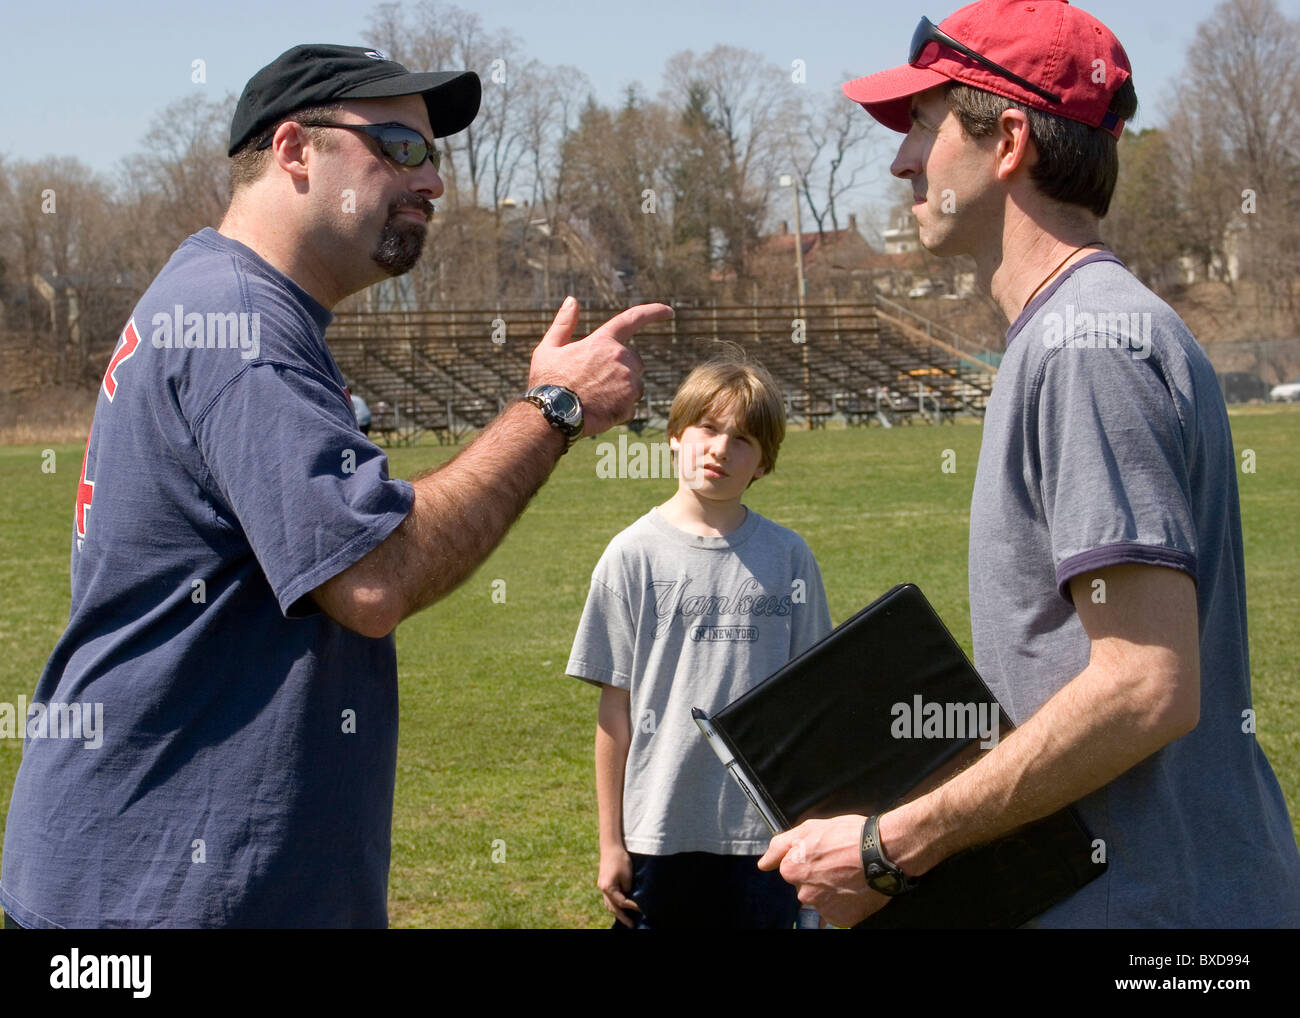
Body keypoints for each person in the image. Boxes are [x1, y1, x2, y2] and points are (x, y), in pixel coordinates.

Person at [0, 44, 672, 929]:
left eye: (435, 156)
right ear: (294, 151)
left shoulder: (228, 299)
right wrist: (554, 408)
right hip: (161, 899)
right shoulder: (238, 325)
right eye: (399, 147)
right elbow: (371, 579)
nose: (432, 181)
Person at [759, 0, 1300, 927]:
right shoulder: (1082, 329)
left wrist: (892, 846)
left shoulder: (1086, 346)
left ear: (1007, 141)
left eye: (923, 128)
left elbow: (1143, 687)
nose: (900, 162)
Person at [567, 358, 832, 928]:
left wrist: (814, 827)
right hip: (658, 829)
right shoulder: (631, 556)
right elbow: (615, 709)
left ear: (764, 463)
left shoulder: (790, 558)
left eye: (743, 441)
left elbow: (812, 707)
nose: (720, 450)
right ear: (674, 437)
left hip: (764, 834)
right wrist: (610, 843)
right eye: (708, 429)